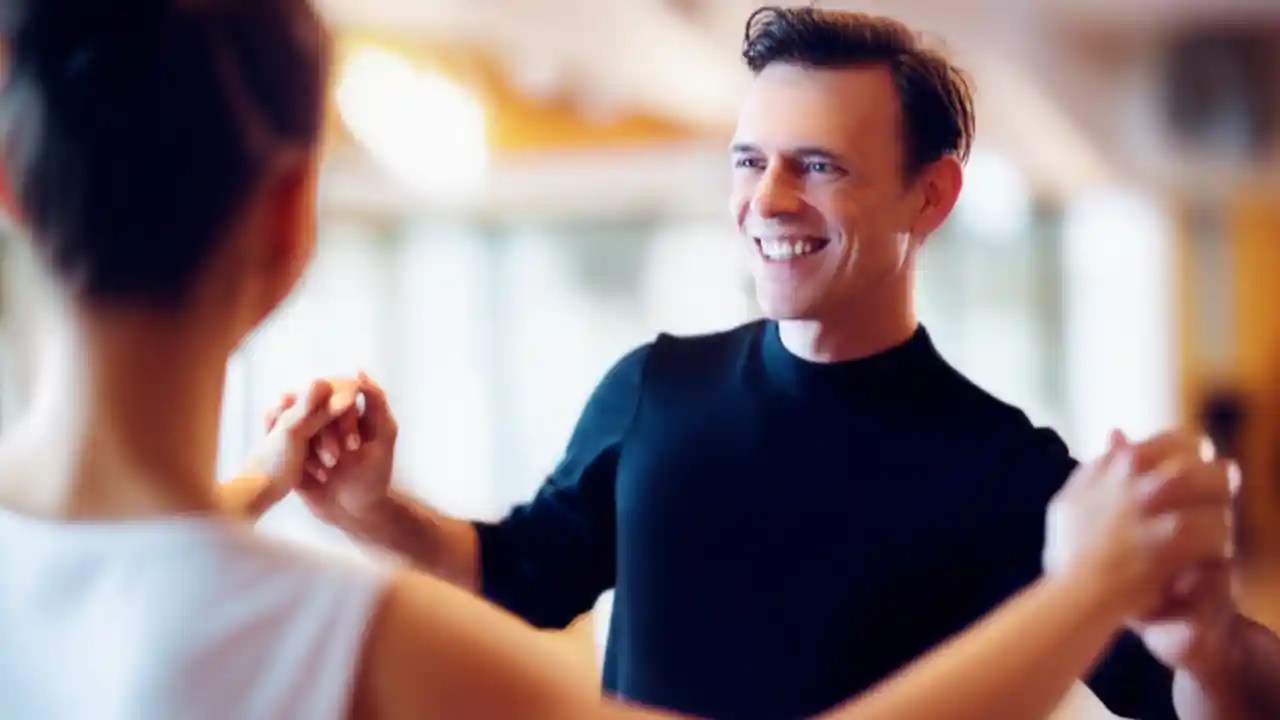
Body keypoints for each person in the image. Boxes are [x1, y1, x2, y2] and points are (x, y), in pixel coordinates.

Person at [0, 1, 1243, 719]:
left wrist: (1207, 651)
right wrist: (388, 523)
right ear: (286, 216)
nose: (767, 198)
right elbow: (528, 572)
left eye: (816, 163)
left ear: (932, 196)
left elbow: (1202, 693)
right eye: (746, 160)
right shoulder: (654, 388)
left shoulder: (1002, 471)